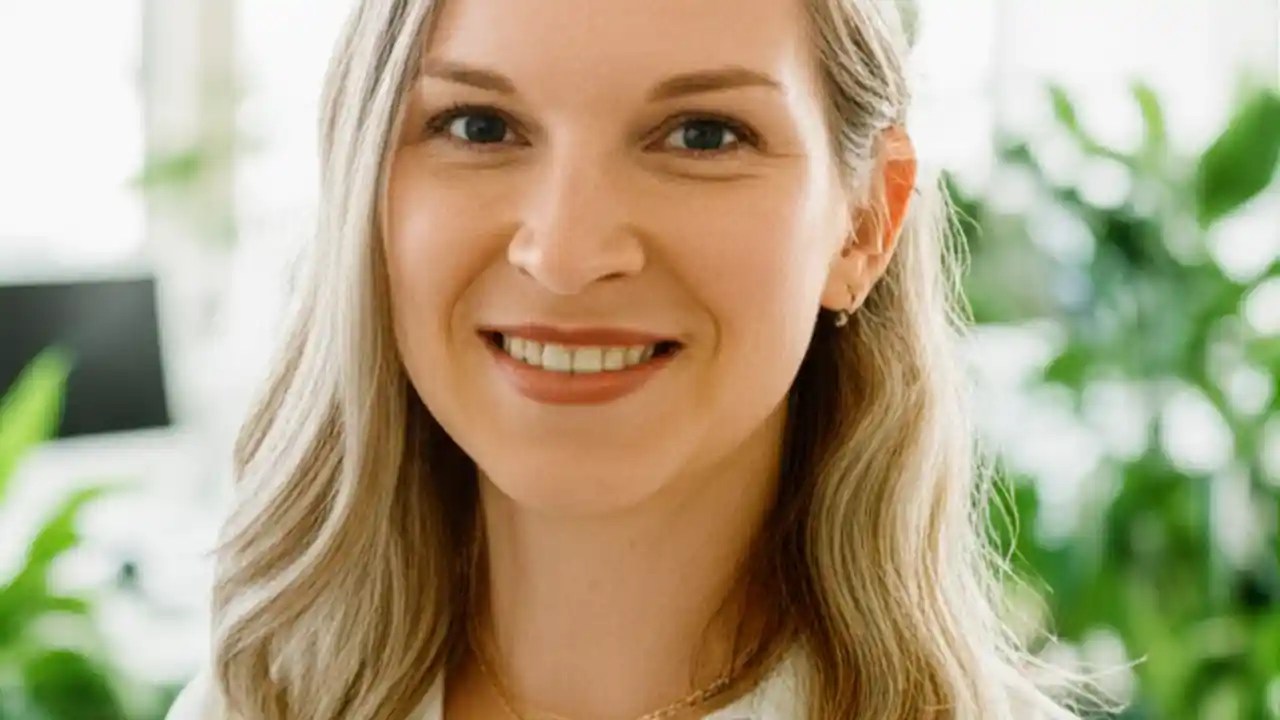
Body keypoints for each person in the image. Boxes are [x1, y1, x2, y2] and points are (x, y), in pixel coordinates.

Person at [168, 0, 1095, 717]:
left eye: (702, 134)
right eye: (480, 127)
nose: (566, 256)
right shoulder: (253, 702)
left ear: (864, 226)